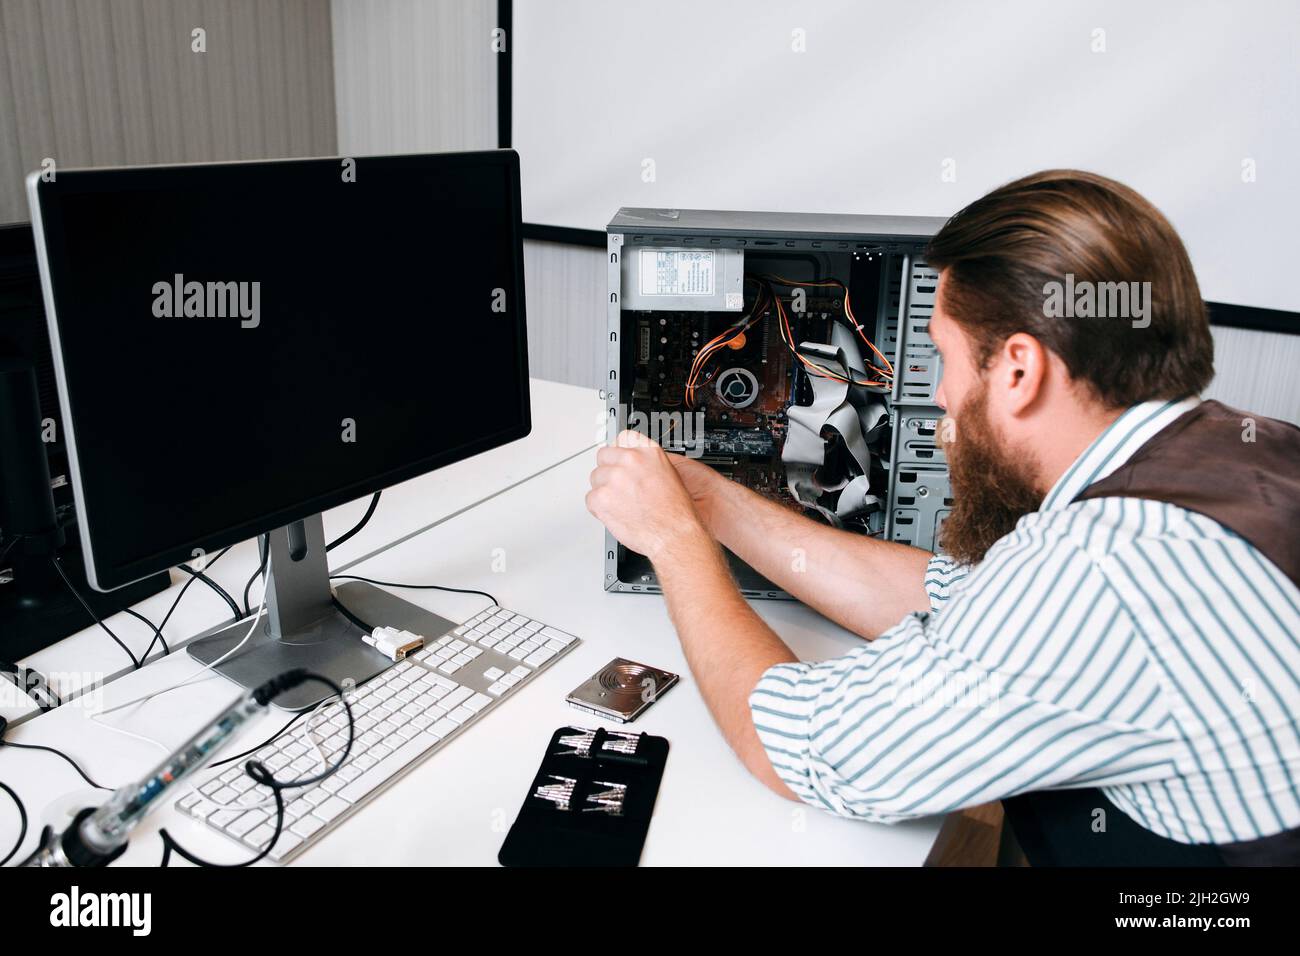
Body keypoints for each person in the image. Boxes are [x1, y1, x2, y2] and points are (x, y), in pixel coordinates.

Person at [585, 170, 1300, 863]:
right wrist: (710, 504)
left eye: (943, 356)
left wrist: (675, 544)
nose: (939, 397)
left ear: (1019, 370)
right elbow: (955, 593)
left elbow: (806, 747)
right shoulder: (1249, 451)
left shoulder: (1099, 573)